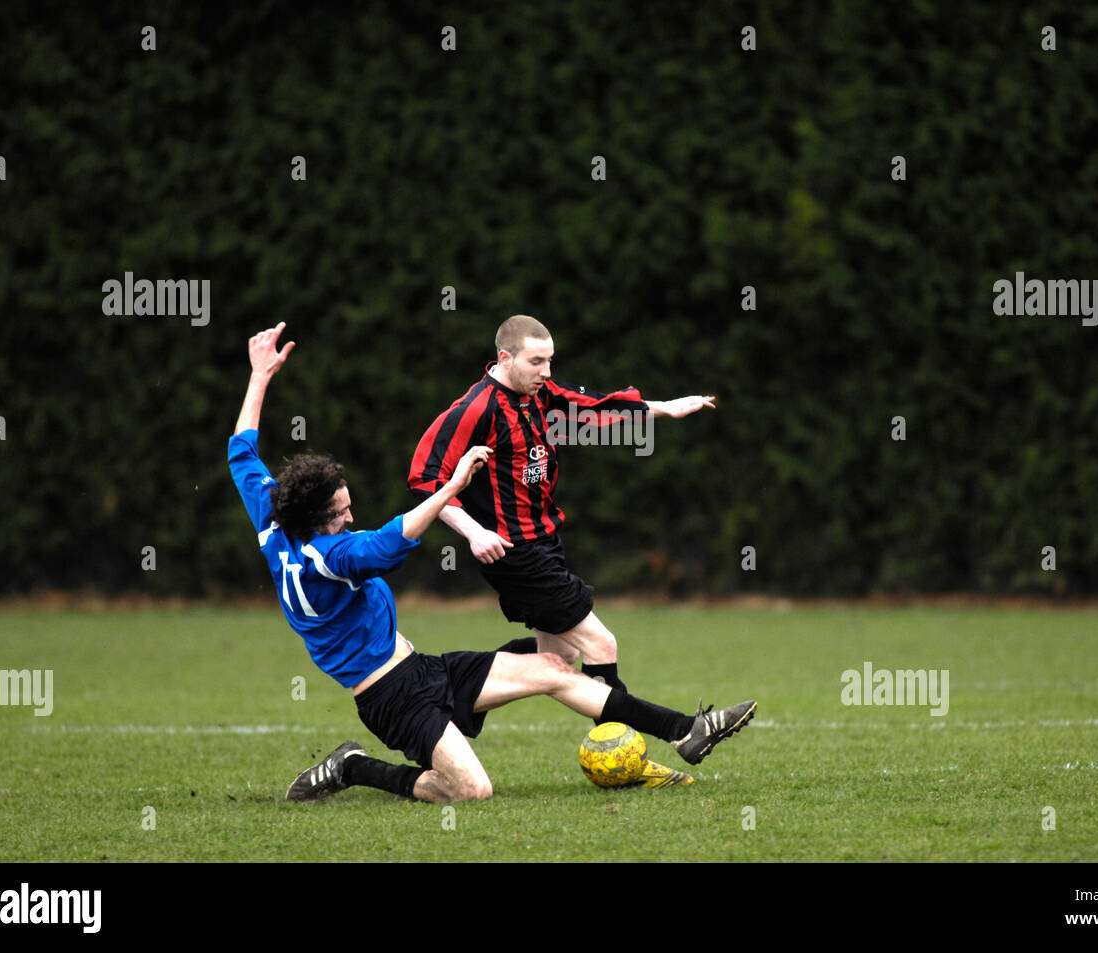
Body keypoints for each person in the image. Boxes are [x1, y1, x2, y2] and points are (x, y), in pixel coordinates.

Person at [229, 322, 755, 802]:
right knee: (471, 791)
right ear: (318, 518)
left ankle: (687, 730)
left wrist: (259, 376)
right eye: (342, 512)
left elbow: (241, 451)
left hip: (423, 668)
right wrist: (455, 489)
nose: (350, 515)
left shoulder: (272, 516)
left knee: (555, 666)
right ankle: (355, 767)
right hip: (391, 699)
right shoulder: (334, 557)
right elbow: (392, 539)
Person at [409, 314, 715, 695]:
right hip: (513, 551)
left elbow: (596, 408)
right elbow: (426, 476)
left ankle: (442, 694)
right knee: (602, 645)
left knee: (560, 657)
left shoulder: (542, 394)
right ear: (505, 359)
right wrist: (473, 531)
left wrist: (664, 407)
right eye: (536, 362)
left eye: (550, 360)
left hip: (544, 543)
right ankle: (619, 748)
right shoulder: (475, 409)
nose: (546, 371)